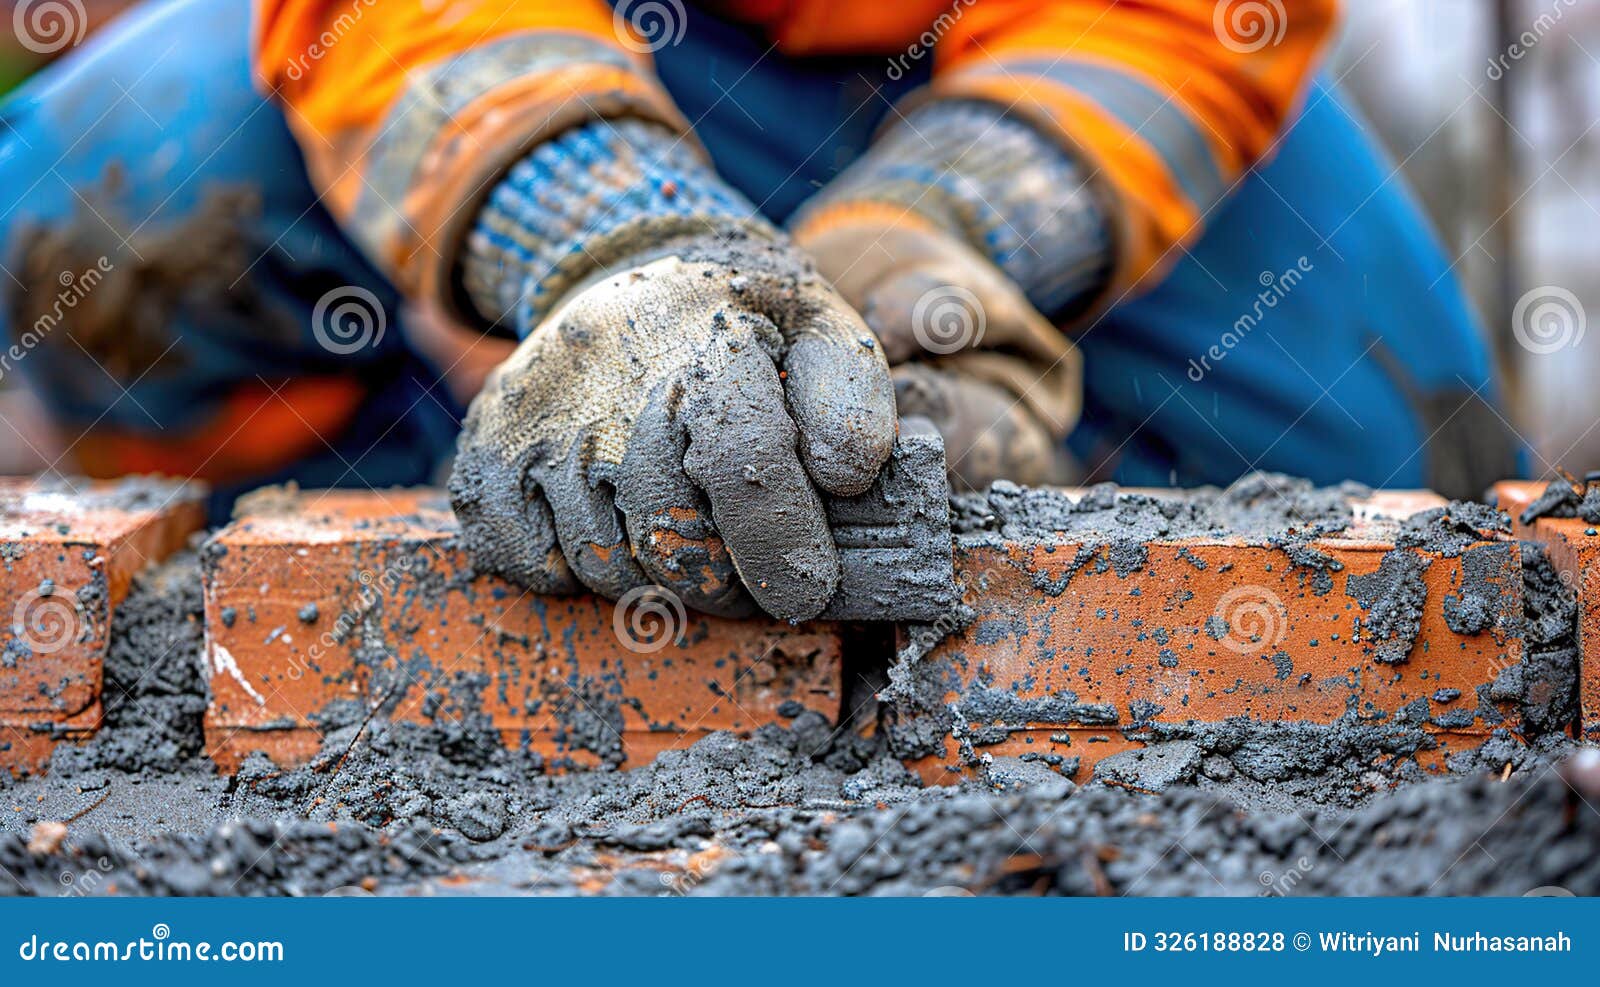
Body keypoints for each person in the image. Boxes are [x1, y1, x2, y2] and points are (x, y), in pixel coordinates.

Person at [0, 0, 1516, 620]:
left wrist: (949, 242)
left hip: (1021, 52)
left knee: (1416, 549)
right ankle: (374, 545)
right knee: (129, 172)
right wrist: (607, 239)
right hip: (582, 49)